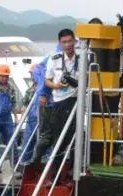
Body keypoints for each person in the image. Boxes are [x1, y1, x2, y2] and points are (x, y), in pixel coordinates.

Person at [36, 28, 82, 163]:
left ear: (74, 41)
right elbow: (47, 80)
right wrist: (56, 86)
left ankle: (73, 167)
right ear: (60, 43)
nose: (68, 45)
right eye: (64, 42)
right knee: (58, 137)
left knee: (75, 135)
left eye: (70, 41)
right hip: (59, 101)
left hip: (76, 100)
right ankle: (54, 169)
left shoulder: (83, 58)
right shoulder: (54, 59)